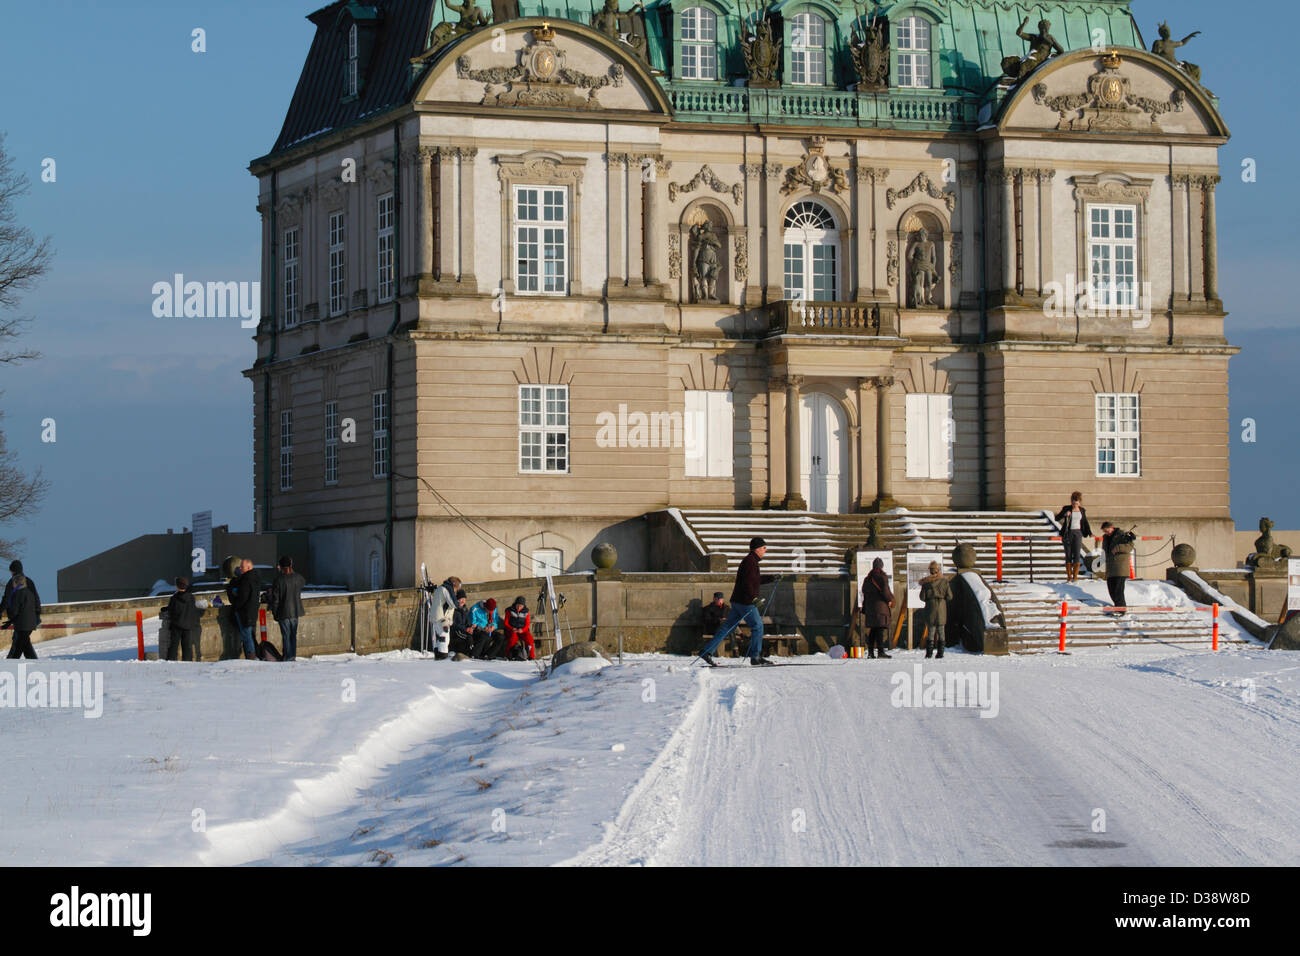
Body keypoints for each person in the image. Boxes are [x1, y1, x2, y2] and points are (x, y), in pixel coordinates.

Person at [698, 537, 772, 666]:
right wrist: (753, 598)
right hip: (746, 602)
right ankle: (756, 656)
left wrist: (772, 578)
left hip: (738, 601)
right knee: (758, 626)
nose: (765, 551)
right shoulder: (750, 562)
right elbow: (747, 583)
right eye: (764, 548)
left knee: (727, 627)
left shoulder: (750, 561)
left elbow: (755, 580)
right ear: (758, 548)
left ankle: (707, 651)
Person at [267, 556, 306, 661]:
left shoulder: (278, 580)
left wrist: (275, 613)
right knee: (293, 635)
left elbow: (275, 600)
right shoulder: (298, 578)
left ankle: (287, 656)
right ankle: (292, 656)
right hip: (295, 611)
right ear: (290, 565)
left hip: (283, 612)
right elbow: (303, 582)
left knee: (286, 636)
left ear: (280, 566)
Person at [1054, 491, 1093, 582]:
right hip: (1068, 533)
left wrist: (1089, 532)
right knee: (1068, 554)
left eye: (1077, 502)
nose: (1075, 504)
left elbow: (1085, 522)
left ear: (1079, 502)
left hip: (1078, 533)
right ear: (1071, 501)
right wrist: (1065, 514)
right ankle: (1069, 576)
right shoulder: (1066, 508)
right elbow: (1056, 518)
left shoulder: (1082, 510)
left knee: (1076, 554)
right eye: (1073, 502)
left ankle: (1075, 577)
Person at [226, 558, 261, 659]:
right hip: (253, 611)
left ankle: (252, 656)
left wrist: (235, 598)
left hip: (244, 613)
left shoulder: (246, 579)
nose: (240, 569)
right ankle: (254, 655)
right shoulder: (256, 577)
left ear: (249, 567)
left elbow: (243, 597)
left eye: (242, 567)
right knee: (251, 636)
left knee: (247, 637)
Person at [918, 562, 951, 659]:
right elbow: (950, 596)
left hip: (930, 608)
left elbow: (922, 597)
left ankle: (929, 653)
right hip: (941, 608)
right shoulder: (944, 582)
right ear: (938, 570)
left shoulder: (926, 583)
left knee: (931, 632)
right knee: (941, 631)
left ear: (930, 571)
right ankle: (940, 653)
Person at [862, 557, 894, 659]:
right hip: (880, 607)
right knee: (880, 629)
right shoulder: (882, 577)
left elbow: (864, 591)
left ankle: (871, 652)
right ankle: (880, 651)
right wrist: (891, 600)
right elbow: (886, 591)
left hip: (870, 608)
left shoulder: (867, 579)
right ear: (881, 566)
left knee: (873, 630)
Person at [1101, 522, 1136, 613]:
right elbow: (1105, 551)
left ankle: (1121, 610)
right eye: (1104, 531)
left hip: (1120, 568)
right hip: (1110, 568)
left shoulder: (1122, 535)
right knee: (1111, 590)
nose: (1106, 533)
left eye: (1107, 530)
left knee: (1118, 590)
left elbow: (1130, 546)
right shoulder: (1105, 538)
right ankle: (1117, 607)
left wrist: (1119, 548)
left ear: (1111, 528)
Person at [166, 576, 202, 661]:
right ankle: (187, 662)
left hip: (176, 625)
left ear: (177, 586)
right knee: (187, 647)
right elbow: (192, 610)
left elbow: (171, 611)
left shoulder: (174, 598)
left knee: (173, 646)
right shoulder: (191, 597)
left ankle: (170, 662)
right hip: (188, 625)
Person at [4, 573, 40, 659]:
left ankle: (11, 663)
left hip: (22, 625)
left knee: (18, 647)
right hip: (30, 624)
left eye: (13, 583)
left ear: (16, 583)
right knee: (25, 645)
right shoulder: (30, 593)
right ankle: (33, 661)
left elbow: (15, 611)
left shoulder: (18, 594)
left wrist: (9, 617)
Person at [430, 575, 462, 659]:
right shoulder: (447, 589)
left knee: (441, 637)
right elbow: (453, 603)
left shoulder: (440, 588)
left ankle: (438, 655)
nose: (456, 591)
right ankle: (443, 656)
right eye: (457, 588)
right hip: (441, 618)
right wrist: (459, 604)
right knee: (444, 636)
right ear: (454, 585)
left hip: (436, 617)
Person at [503, 596, 535, 661]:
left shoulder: (526, 612)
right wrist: (512, 628)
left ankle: (531, 656)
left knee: (529, 639)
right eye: (518, 605)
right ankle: (508, 655)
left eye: (521, 606)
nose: (519, 607)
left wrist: (522, 630)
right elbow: (506, 623)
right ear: (515, 604)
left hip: (522, 630)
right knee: (513, 639)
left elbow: (527, 624)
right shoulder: (509, 610)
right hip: (511, 629)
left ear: (523, 606)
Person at [449, 589, 475, 656]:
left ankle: (472, 653)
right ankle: (471, 654)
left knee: (475, 635)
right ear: (457, 599)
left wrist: (470, 627)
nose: (463, 601)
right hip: (455, 632)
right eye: (461, 599)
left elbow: (468, 621)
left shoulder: (465, 609)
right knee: (468, 638)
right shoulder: (454, 609)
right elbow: (453, 624)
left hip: (463, 630)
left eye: (464, 599)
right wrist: (465, 629)